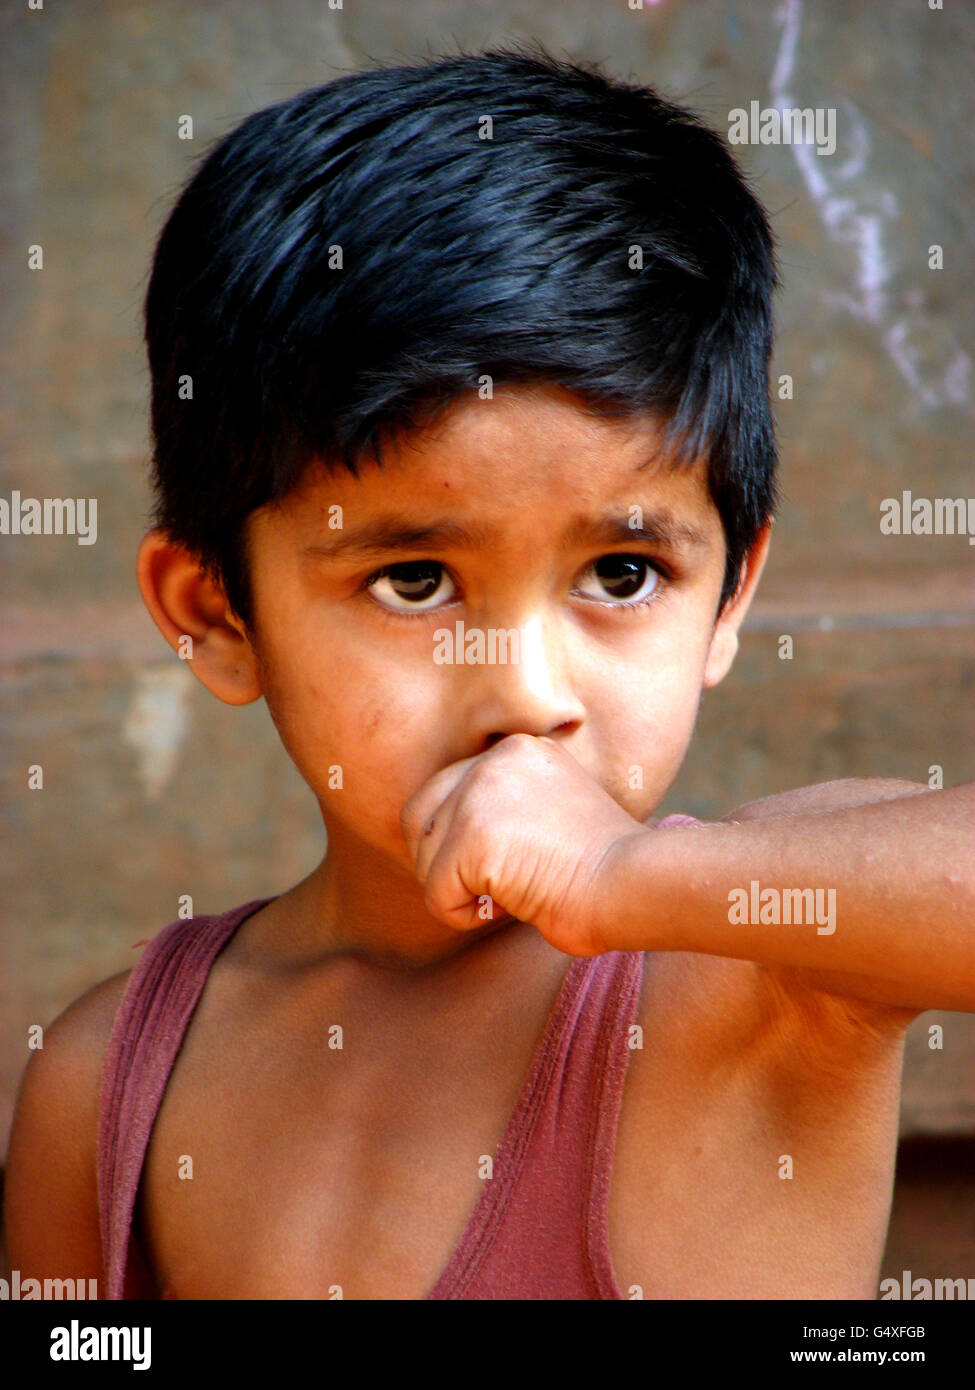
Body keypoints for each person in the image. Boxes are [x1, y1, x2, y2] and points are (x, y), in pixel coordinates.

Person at [4, 43, 972, 1301]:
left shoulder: (763, 976)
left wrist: (630, 875)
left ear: (731, 594)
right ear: (218, 614)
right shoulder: (107, 1081)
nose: (525, 690)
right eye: (415, 581)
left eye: (622, 574)